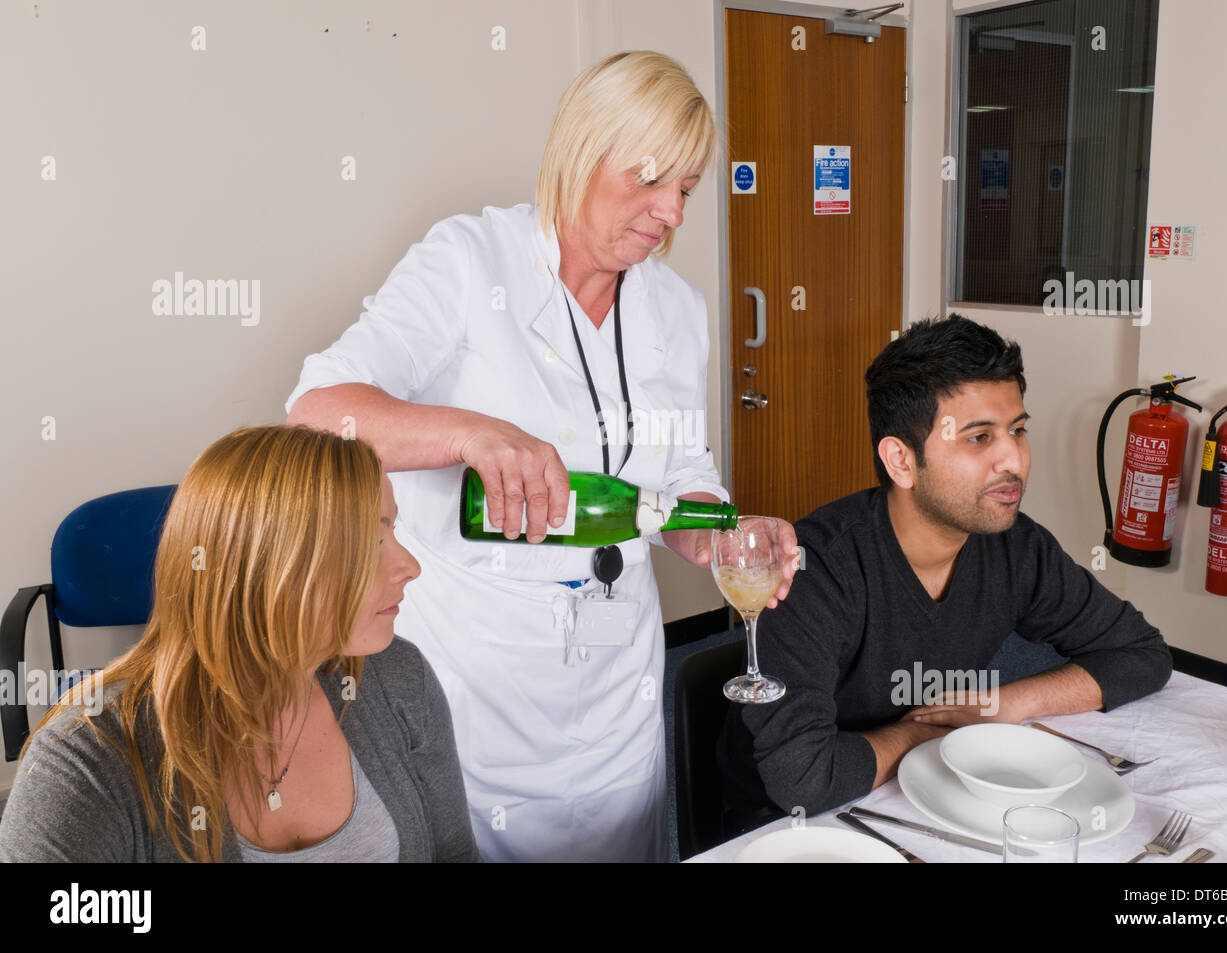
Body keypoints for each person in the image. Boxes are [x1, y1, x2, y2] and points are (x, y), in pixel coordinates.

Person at [285, 51, 799, 862]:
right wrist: (469, 433)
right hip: (474, 702)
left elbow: (680, 473)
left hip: (615, 696)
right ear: (583, 150)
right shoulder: (467, 263)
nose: (671, 213)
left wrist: (719, 530)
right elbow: (318, 413)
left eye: (687, 190)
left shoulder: (677, 307)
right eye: (653, 179)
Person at [719, 315, 1173, 833]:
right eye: (979, 438)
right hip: (793, 826)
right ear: (902, 461)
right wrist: (927, 734)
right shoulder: (811, 570)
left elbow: (1143, 654)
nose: (1014, 460)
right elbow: (805, 780)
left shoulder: (1017, 546)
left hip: (929, 786)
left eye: (1018, 431)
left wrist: (1007, 703)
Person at [0, 426, 479, 862]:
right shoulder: (86, 761)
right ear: (270, 566)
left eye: (392, 530)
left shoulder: (398, 679)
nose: (410, 566)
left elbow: (454, 856)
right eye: (372, 542)